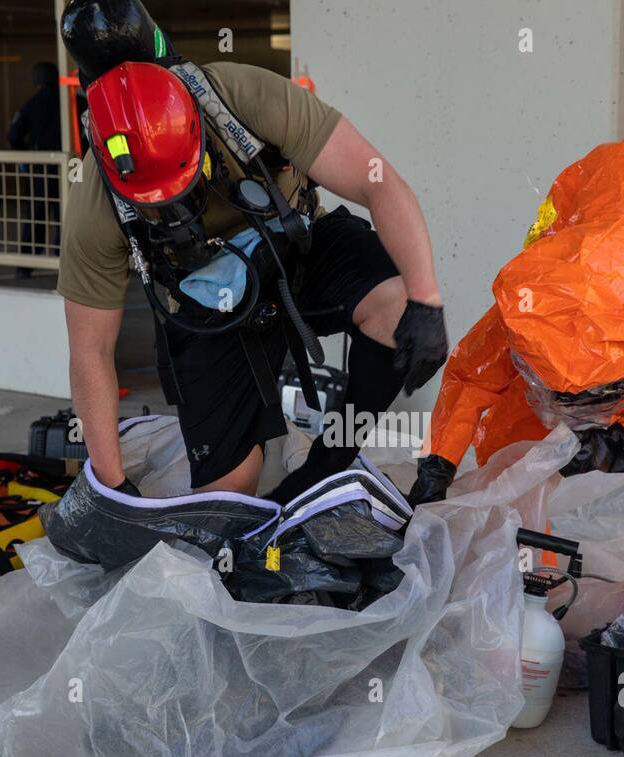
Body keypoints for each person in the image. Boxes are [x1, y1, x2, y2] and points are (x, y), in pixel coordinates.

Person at [55, 0, 448, 503]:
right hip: (206, 307)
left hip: (298, 251)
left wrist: (426, 300)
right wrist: (112, 485)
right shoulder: (95, 203)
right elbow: (91, 351)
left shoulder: (247, 96)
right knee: (229, 497)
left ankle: (329, 461)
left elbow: (380, 184)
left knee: (397, 309)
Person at [409, 123, 624, 572]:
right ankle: (528, 573)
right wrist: (439, 462)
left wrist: (622, 444)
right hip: (591, 204)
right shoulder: (535, 301)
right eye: (554, 393)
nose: (559, 414)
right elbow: (472, 375)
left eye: (581, 399)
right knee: (506, 432)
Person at [9, 62, 64, 278]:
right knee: (66, 216)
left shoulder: (31, 105)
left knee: (35, 215)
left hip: (40, 169)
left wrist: (25, 156)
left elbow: (13, 135)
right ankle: (64, 261)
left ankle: (26, 265)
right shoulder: (72, 101)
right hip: (70, 169)